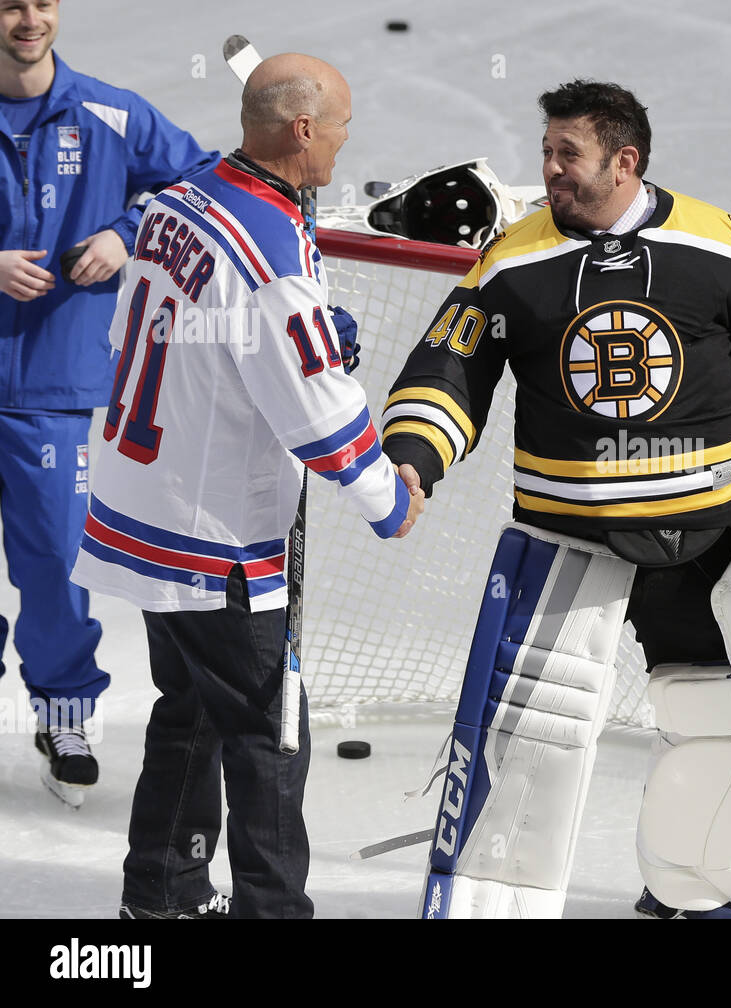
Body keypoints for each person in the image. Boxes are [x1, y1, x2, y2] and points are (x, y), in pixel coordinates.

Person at [382, 80, 731, 918]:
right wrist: (414, 455)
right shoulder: (513, 258)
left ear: (624, 162)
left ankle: (691, 891)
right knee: (525, 746)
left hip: (705, 537)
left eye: (569, 155)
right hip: (568, 539)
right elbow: (451, 366)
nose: (550, 169)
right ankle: (491, 907)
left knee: (724, 725)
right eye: (547, 151)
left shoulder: (721, 243)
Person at [70, 53, 425, 919]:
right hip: (211, 541)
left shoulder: (183, 196)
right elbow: (317, 416)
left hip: (138, 509)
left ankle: (161, 895)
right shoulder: (268, 254)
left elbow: (153, 326)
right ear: (302, 131)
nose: (346, 141)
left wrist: (302, 331)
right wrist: (387, 497)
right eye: (339, 125)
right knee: (270, 736)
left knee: (188, 710)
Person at [0, 0, 219, 801]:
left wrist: (126, 233)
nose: (29, 20)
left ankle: (65, 713)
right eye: (12, 5)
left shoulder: (109, 112)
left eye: (42, 3)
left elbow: (205, 175)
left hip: (56, 388)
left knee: (56, 566)